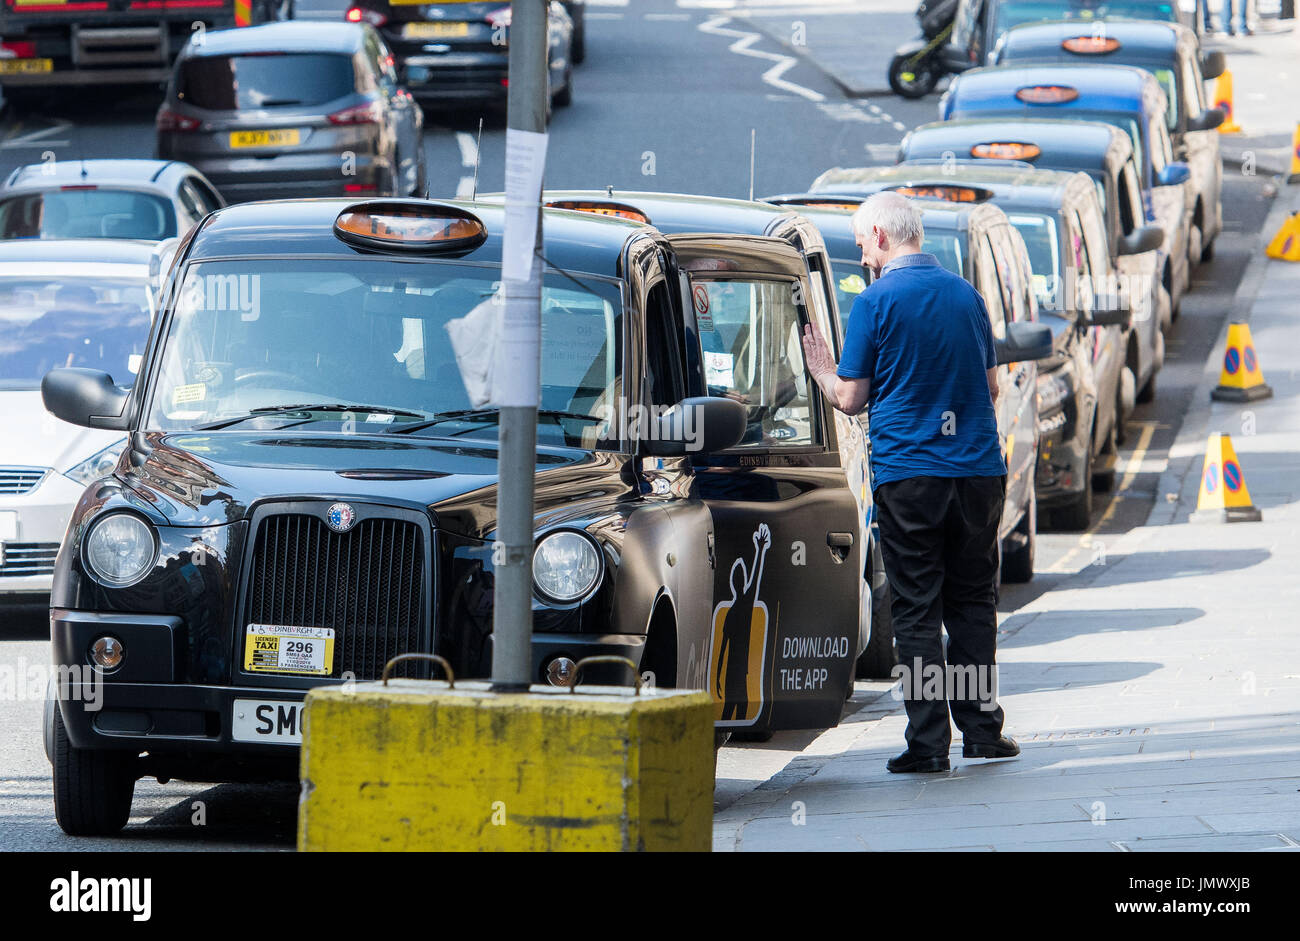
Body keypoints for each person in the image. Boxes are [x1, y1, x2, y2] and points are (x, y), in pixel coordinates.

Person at [801, 191, 1018, 773]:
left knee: (917, 609)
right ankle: (983, 732)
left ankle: (928, 744)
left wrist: (823, 368)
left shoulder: (875, 302)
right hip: (976, 472)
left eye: (860, 243)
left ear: (878, 236)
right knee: (973, 602)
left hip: (909, 476)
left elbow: (850, 398)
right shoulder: (968, 297)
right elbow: (993, 388)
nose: (860, 255)